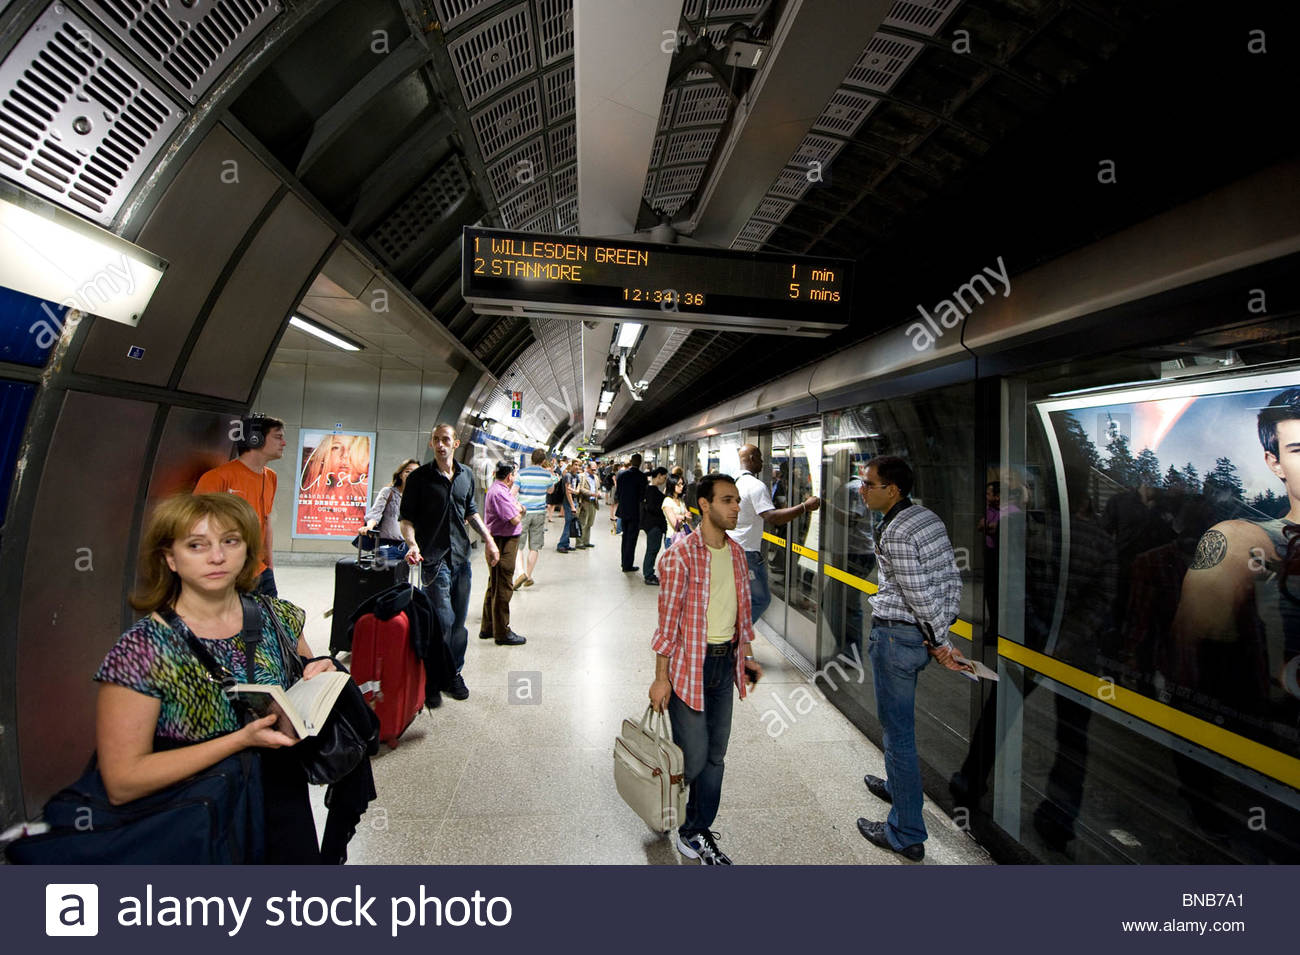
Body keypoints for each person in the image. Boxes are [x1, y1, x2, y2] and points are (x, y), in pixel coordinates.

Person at [95, 493, 343, 863]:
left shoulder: (278, 618)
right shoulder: (142, 649)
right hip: (191, 824)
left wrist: (327, 671)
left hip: (282, 811)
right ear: (170, 558)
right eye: (197, 545)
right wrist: (239, 740)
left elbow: (307, 685)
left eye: (230, 541)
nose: (217, 556)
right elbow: (122, 780)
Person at [854, 455, 965, 862]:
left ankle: (905, 832)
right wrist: (942, 629)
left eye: (868, 484)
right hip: (916, 638)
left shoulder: (895, 531)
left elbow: (917, 593)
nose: (861, 490)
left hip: (897, 639)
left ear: (893, 490)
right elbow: (951, 578)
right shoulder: (927, 518)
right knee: (898, 729)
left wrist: (939, 642)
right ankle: (898, 786)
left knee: (897, 732)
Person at [648, 474, 763, 865]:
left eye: (737, 501)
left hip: (723, 666)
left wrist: (745, 656)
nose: (736, 507)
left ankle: (695, 829)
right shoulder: (680, 556)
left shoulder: (736, 553)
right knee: (694, 757)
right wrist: (660, 678)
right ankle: (673, 811)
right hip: (688, 668)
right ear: (704, 505)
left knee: (716, 756)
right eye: (728, 500)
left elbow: (742, 613)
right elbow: (667, 626)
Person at [400, 424, 505, 701]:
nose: (440, 445)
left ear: (456, 443)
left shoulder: (466, 476)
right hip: (433, 560)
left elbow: (471, 512)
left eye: (445, 440)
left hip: (461, 557)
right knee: (442, 620)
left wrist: (490, 541)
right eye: (435, 439)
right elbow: (406, 519)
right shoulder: (419, 479)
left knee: (458, 622)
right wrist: (412, 543)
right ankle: (434, 677)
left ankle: (453, 673)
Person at [195, 414, 286, 597]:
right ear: (255, 439)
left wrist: (270, 566)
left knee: (272, 623)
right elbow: (195, 528)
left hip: (261, 571)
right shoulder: (218, 478)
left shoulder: (271, 477)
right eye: (278, 437)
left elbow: (266, 522)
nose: (283, 443)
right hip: (230, 573)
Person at [729, 444, 821, 623]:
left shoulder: (733, 482)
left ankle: (734, 638)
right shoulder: (755, 486)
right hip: (746, 553)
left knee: (739, 599)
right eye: (760, 458)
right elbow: (772, 517)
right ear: (752, 459)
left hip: (732, 547)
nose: (763, 462)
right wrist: (805, 506)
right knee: (761, 600)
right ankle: (737, 639)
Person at [481, 462, 527, 645]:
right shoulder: (500, 493)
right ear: (509, 477)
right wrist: (522, 510)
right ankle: (502, 632)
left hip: (500, 539)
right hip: (503, 542)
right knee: (503, 586)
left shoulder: (499, 489)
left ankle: (488, 627)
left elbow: (514, 505)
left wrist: (517, 507)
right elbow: (515, 518)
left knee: (494, 584)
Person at [359, 458, 419, 563]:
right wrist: (369, 526)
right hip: (387, 546)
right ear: (401, 474)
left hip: (407, 547)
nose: (411, 474)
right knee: (385, 577)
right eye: (407, 471)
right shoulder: (388, 492)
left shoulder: (419, 497)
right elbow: (375, 513)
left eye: (415, 472)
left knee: (402, 577)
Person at [514, 448, 557, 588]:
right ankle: (529, 575)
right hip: (539, 513)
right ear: (544, 461)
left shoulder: (521, 473)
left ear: (531, 459)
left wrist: (518, 505)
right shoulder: (546, 475)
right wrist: (551, 477)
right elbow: (551, 490)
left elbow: (512, 493)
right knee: (534, 547)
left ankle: (520, 573)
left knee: (518, 546)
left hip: (523, 513)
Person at [616, 453, 648, 571]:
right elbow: (642, 496)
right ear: (640, 462)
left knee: (625, 538)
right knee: (632, 538)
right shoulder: (641, 476)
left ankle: (623, 562)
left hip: (623, 511)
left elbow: (618, 492)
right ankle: (628, 565)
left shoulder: (622, 475)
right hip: (635, 512)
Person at [641, 467, 669, 585]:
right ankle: (648, 574)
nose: (665, 479)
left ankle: (649, 572)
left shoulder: (650, 490)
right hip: (654, 525)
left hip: (651, 525)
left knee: (652, 549)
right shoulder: (653, 491)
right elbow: (653, 508)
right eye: (664, 477)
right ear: (658, 476)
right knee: (652, 549)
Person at [556, 460, 580, 553]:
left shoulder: (576, 476)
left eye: (579, 465)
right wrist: (572, 506)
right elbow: (567, 492)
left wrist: (573, 491)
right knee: (568, 523)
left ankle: (566, 544)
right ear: (571, 465)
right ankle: (561, 544)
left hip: (574, 501)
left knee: (570, 523)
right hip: (568, 502)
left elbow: (577, 489)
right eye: (575, 465)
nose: (577, 467)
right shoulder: (568, 476)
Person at [576, 461, 600, 548]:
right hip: (585, 501)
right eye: (593, 470)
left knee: (590, 523)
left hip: (593, 502)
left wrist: (598, 493)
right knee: (583, 522)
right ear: (588, 468)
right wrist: (590, 493)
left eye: (595, 469)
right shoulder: (582, 476)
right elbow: (580, 488)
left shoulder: (596, 477)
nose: (594, 471)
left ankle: (586, 541)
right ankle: (579, 542)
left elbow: (598, 488)